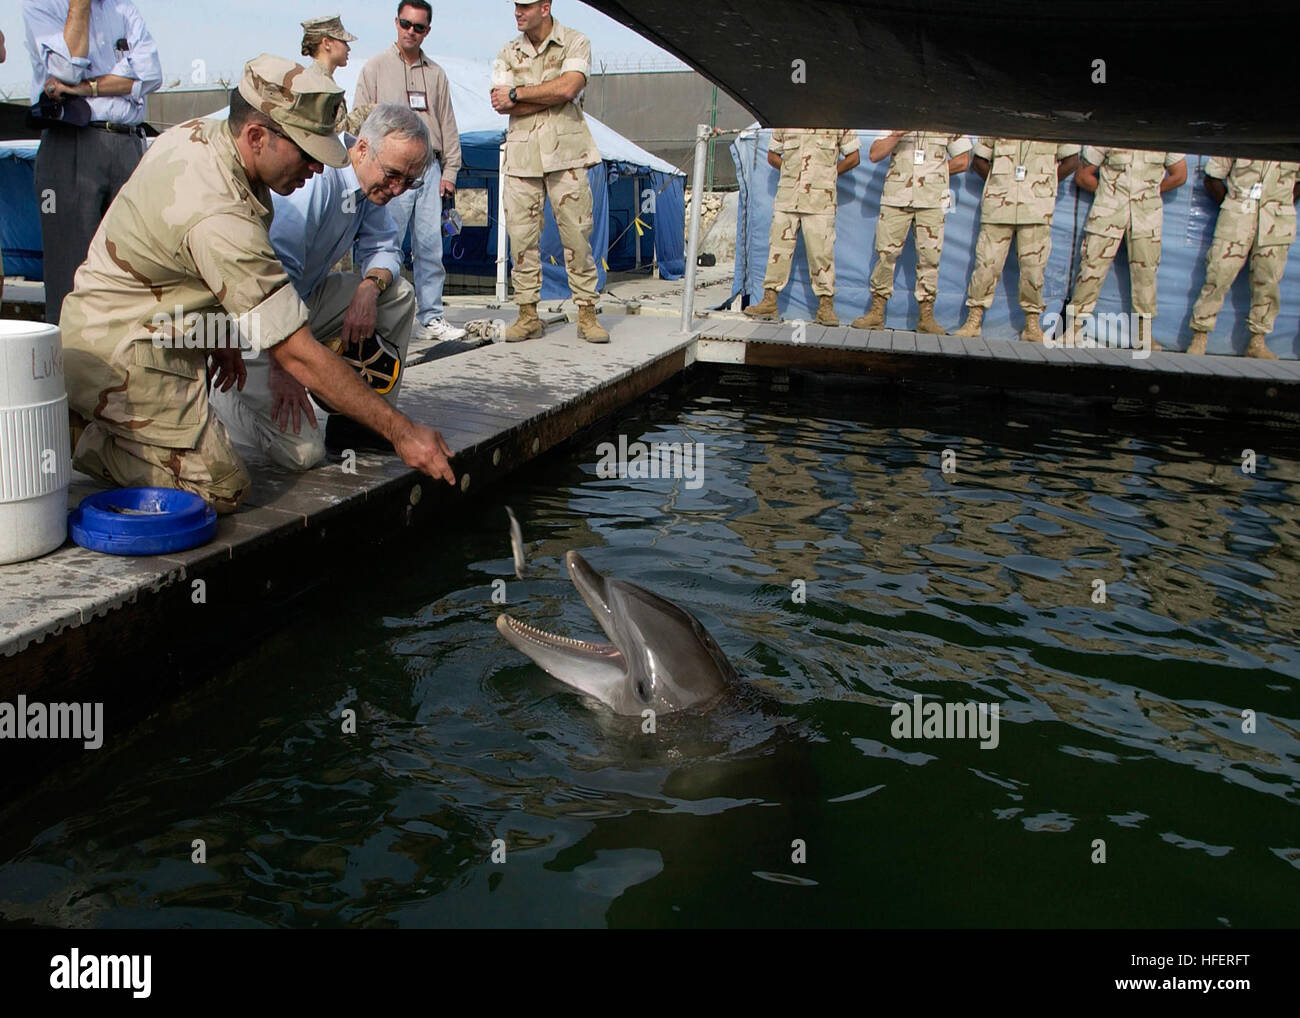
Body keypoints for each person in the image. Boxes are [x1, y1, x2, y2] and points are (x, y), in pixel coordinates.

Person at [59, 55, 455, 514]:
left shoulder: (208, 140)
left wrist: (220, 330)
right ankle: (81, 433)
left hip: (181, 324)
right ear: (256, 136)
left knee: (392, 294)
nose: (316, 168)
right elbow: (293, 347)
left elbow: (198, 270)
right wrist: (402, 433)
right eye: (307, 155)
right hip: (126, 350)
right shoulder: (221, 212)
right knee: (224, 488)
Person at [211, 104, 428, 470]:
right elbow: (272, 283)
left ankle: (359, 421)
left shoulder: (369, 186)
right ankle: (223, 402)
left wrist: (369, 288)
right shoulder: (314, 184)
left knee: (399, 294)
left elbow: (385, 247)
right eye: (393, 176)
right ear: (362, 148)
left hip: (300, 299)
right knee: (304, 453)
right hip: (253, 320)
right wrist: (285, 367)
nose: (397, 189)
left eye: (409, 182)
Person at [22, 0, 161, 325]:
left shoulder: (122, 7)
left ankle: (128, 369)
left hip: (128, 142)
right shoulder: (40, 6)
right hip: (70, 144)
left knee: (137, 269)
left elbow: (150, 75)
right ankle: (71, 369)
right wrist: (79, 7)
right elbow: (64, 70)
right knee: (71, 276)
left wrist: (84, 87)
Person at [490, 0, 609, 344]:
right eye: (515, 6)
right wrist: (549, 94)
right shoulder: (507, 51)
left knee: (577, 236)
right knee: (522, 239)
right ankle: (528, 315)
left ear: (545, 7)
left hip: (567, 155)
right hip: (522, 157)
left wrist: (519, 94)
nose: (517, 12)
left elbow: (570, 87)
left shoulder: (575, 41)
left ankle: (587, 312)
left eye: (525, 6)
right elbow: (500, 102)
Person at [354, 2, 466, 343]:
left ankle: (431, 316)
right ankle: (379, 312)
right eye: (406, 24)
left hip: (429, 167)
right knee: (384, 240)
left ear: (427, 31)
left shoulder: (436, 74)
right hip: (389, 169)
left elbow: (448, 123)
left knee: (431, 245)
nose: (411, 31)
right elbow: (358, 121)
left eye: (418, 27)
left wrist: (451, 171)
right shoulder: (374, 67)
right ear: (396, 23)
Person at [952, 138, 1080, 343]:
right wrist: (999, 185)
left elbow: (1072, 162)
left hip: (1036, 209)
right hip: (998, 208)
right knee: (986, 266)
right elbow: (979, 161)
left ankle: (1032, 324)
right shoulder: (1000, 121)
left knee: (1034, 270)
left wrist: (1044, 185)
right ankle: (973, 321)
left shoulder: (1053, 127)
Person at [851, 130, 971, 334]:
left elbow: (963, 161)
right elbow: (874, 155)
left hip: (932, 200)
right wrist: (897, 134)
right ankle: (876, 313)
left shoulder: (944, 121)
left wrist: (933, 175)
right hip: (896, 198)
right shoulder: (897, 120)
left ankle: (926, 317)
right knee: (885, 255)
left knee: (930, 259)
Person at [1068, 147, 1186, 350]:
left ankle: (1144, 335)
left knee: (1146, 273)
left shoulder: (1164, 136)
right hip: (1108, 212)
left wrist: (1151, 192)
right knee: (1091, 269)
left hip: (1146, 214)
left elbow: (1180, 175)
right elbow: (1083, 176)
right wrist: (1109, 194)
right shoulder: (1109, 135)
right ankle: (1073, 329)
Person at [743, 128, 861, 326]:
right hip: (787, 198)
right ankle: (769, 301)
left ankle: (825, 307)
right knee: (777, 250)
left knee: (821, 254)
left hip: (820, 200)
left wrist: (830, 174)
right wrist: (789, 171)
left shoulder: (838, 120)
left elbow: (854, 157)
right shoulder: (787, 119)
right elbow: (772, 155)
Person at [1186, 158, 1300, 359]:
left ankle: (1257, 341)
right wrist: (1233, 207)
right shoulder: (1243, 137)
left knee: (1268, 282)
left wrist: (1281, 202)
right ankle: (1200, 335)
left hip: (1276, 221)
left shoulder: (1291, 142)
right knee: (1218, 274)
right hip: (1237, 219)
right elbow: (1212, 178)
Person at [301, 14, 356, 131]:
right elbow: (334, 133)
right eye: (343, 41)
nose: (348, 48)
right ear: (326, 43)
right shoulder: (319, 85)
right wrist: (365, 113)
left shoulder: (317, 79)